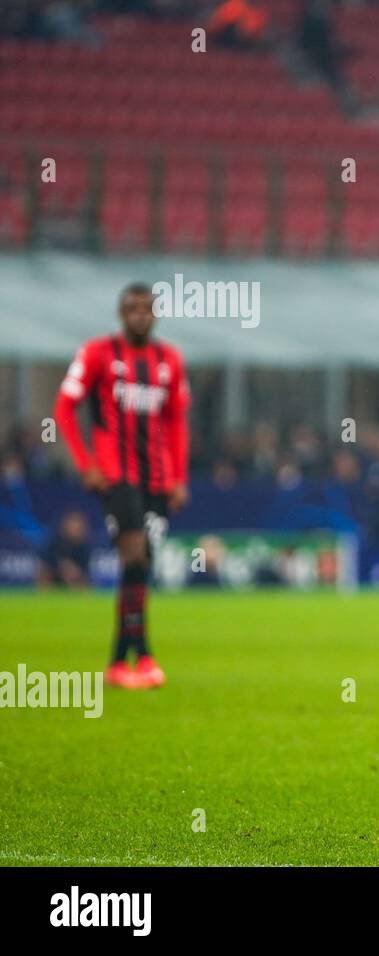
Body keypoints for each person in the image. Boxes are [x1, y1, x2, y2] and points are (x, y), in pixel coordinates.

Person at [52, 282, 190, 689]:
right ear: (120, 314)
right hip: (118, 477)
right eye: (132, 308)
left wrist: (179, 477)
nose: (139, 315)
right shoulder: (98, 354)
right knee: (133, 557)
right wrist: (86, 464)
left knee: (141, 564)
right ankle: (143, 656)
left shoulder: (169, 361)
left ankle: (120, 660)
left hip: (158, 480)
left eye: (147, 308)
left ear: (156, 315)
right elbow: (64, 405)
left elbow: (177, 422)